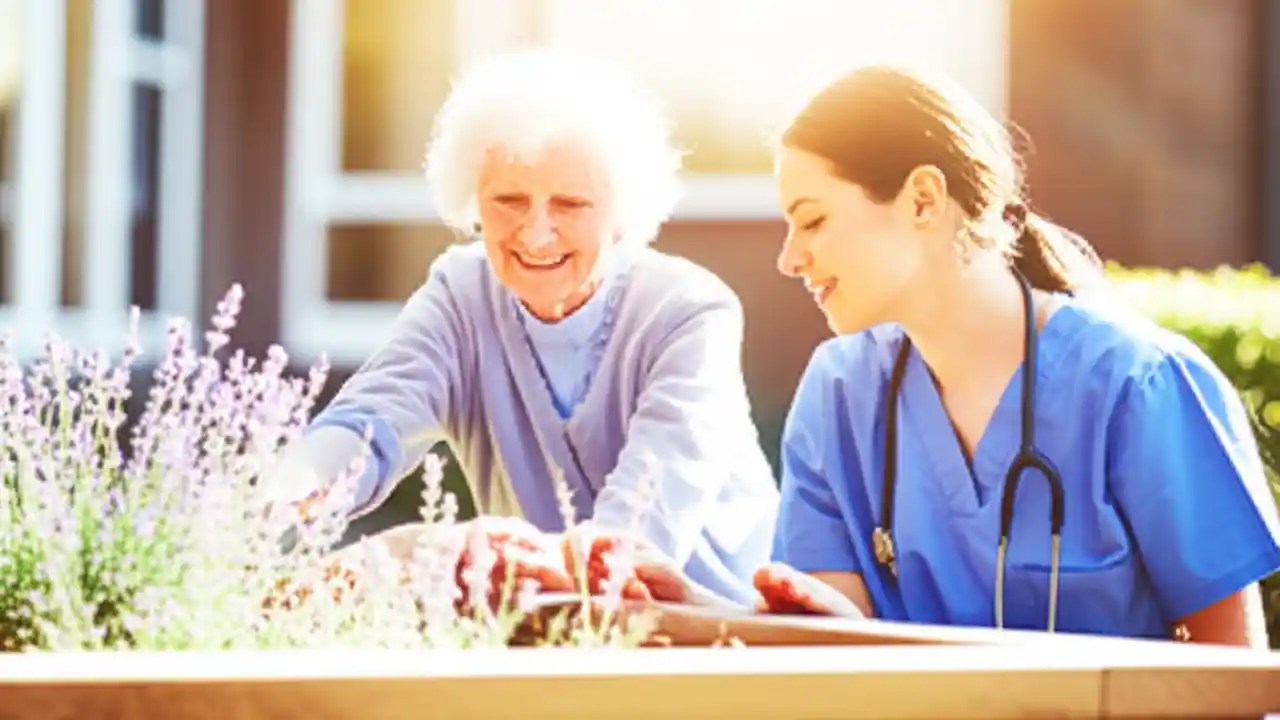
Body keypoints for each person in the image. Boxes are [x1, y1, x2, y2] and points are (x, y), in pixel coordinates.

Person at [756, 63, 1280, 646]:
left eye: (812, 221)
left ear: (924, 200)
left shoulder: (1137, 385)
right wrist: (706, 613)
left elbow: (1230, 668)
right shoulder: (839, 395)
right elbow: (839, 657)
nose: (789, 259)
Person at [277, 50, 778, 608]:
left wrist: (446, 552)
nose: (536, 235)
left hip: (716, 636)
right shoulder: (460, 295)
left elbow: (649, 508)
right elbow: (371, 421)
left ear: (620, 212)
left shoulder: (688, 310)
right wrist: (285, 491)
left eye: (570, 204)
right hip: (556, 627)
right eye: (509, 201)